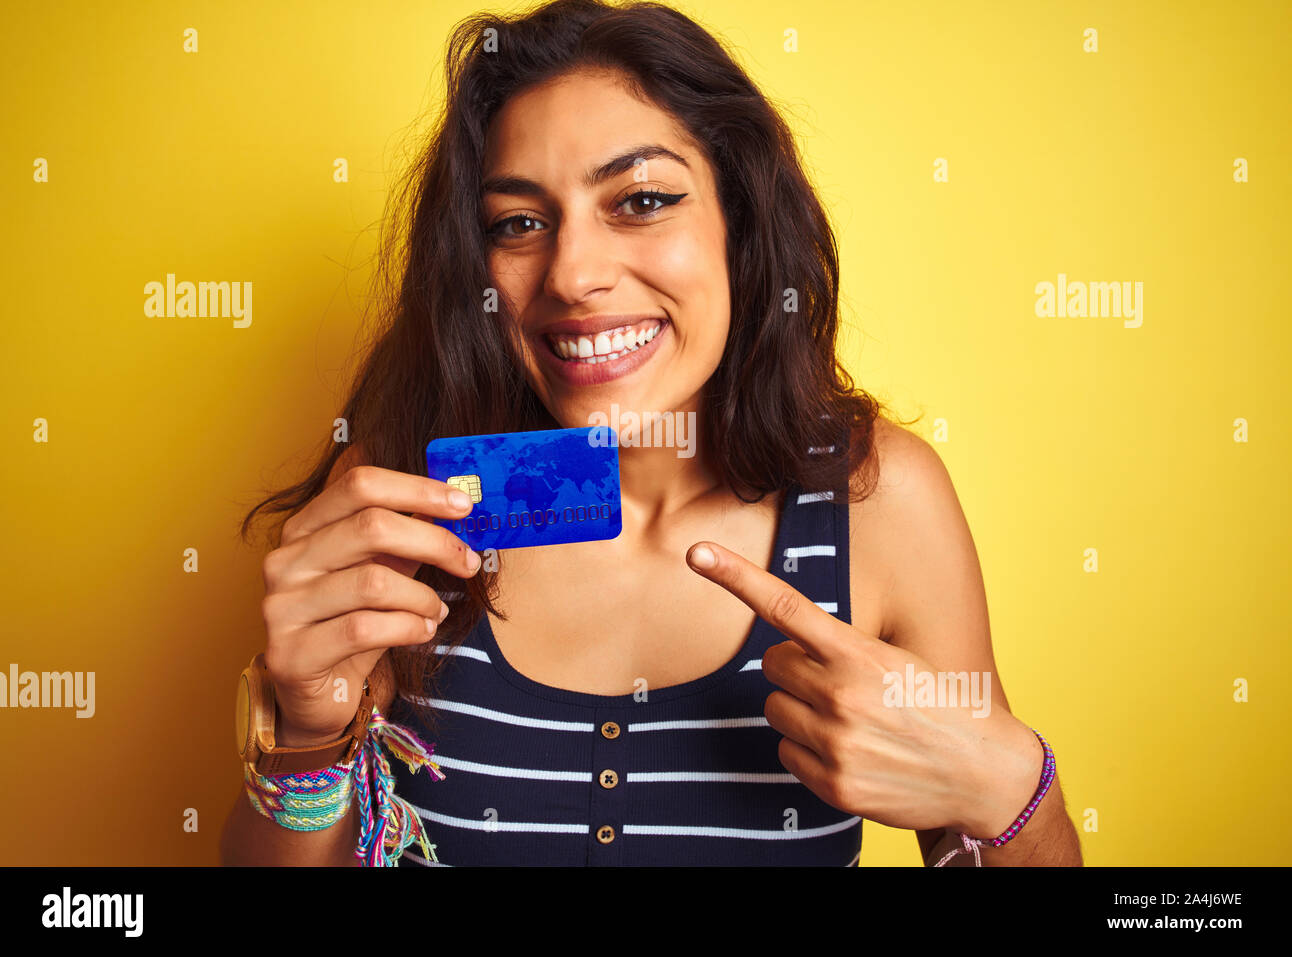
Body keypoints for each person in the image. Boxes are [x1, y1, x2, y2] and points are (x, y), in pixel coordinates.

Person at [219, 0, 1082, 866]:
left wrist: (1007, 783)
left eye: (640, 200)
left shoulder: (878, 502)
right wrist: (304, 731)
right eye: (518, 223)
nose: (574, 274)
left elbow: (985, 834)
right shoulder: (404, 506)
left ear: (738, 227)